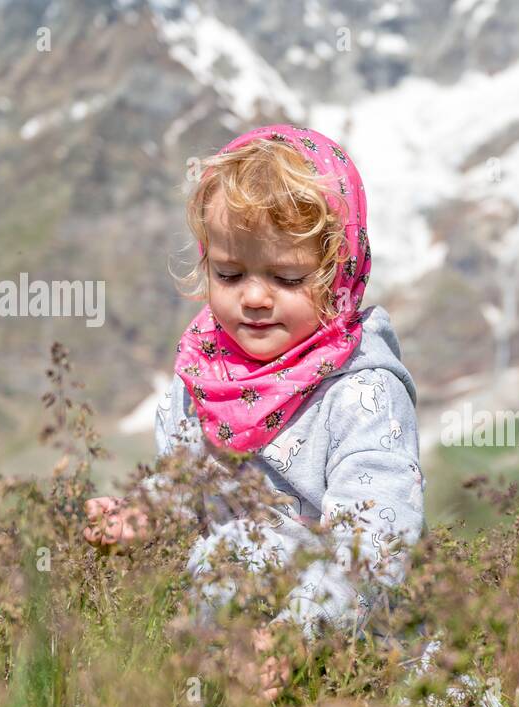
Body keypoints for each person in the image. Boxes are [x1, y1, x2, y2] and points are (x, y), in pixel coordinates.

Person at [84, 123, 426, 649]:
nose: (255, 298)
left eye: (287, 279)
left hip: (346, 647)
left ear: (339, 273)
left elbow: (375, 540)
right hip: (225, 637)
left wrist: (299, 635)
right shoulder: (203, 375)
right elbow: (192, 487)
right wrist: (145, 514)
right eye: (229, 274)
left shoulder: (362, 391)